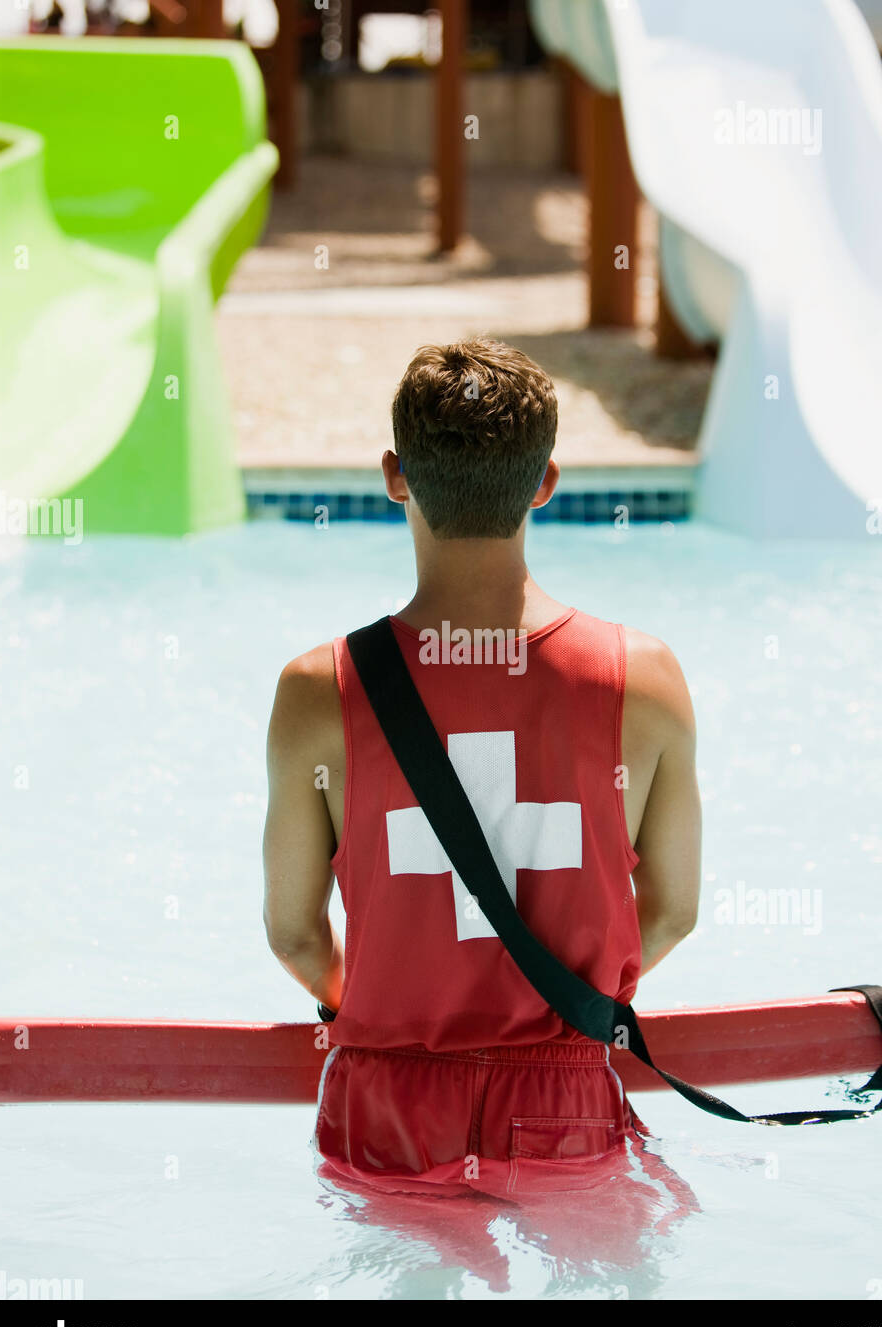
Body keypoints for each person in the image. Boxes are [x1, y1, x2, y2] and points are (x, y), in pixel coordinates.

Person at [262, 338, 701, 1204]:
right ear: (544, 482)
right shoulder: (640, 677)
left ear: (395, 475)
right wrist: (560, 1014)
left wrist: (394, 1004)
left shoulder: (319, 691)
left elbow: (295, 936)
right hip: (564, 1087)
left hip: (387, 1097)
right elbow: (673, 911)